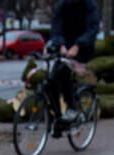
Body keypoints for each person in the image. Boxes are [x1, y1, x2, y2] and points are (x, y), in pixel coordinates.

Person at [45, 0, 100, 130]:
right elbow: (56, 28)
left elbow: (92, 29)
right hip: (65, 49)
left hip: (83, 49)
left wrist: (77, 46)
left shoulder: (89, 5)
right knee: (50, 81)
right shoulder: (62, 6)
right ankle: (59, 118)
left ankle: (72, 109)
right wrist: (61, 45)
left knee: (64, 72)